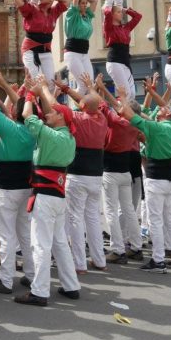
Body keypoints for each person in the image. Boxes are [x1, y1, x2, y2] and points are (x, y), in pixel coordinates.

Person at [13, 75, 80, 306]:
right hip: (59, 195)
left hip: (45, 196)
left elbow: (26, 116)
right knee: (60, 242)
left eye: (53, 112)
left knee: (41, 244)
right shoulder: (70, 139)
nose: (48, 113)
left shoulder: (49, 135)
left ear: (61, 116)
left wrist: (31, 94)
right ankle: (71, 286)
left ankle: (40, 292)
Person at [0, 73, 35, 294]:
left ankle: (6, 280)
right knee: (24, 233)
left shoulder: (10, 129)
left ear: (15, 113)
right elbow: (4, 109)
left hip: (8, 188)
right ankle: (30, 275)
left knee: (7, 235)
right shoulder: (31, 129)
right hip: (26, 186)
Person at [117, 95, 171, 273]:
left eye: (164, 108)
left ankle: (158, 260)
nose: (160, 109)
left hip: (155, 177)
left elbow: (128, 114)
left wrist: (123, 96)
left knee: (155, 220)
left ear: (169, 113)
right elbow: (152, 120)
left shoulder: (157, 128)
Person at [92, 74, 144, 264]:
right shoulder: (135, 126)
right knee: (129, 209)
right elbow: (117, 108)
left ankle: (118, 249)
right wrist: (117, 96)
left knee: (111, 211)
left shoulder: (117, 122)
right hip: (125, 172)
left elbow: (105, 106)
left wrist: (97, 89)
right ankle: (136, 247)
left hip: (112, 170)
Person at [58, 83, 109, 274]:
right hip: (96, 175)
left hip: (78, 175)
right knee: (93, 218)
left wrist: (63, 90)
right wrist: (86, 88)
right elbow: (96, 103)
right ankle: (99, 260)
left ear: (82, 107)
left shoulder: (78, 118)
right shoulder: (102, 118)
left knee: (75, 218)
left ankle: (79, 263)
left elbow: (70, 108)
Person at [14, 0, 70, 88]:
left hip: (46, 51)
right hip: (30, 51)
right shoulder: (32, 9)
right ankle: (31, 103)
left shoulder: (54, 11)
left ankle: (46, 104)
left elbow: (68, 1)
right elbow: (17, 0)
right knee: (37, 82)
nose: (51, 0)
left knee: (51, 84)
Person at [103, 4, 142, 97]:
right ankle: (121, 111)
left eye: (121, 12)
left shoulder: (126, 27)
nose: (121, 14)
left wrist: (125, 10)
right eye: (118, 12)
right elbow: (107, 11)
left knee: (132, 94)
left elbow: (138, 16)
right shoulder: (109, 27)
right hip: (114, 62)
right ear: (112, 14)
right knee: (126, 93)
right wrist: (111, 6)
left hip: (125, 62)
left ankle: (126, 110)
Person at [63, 0, 97, 94]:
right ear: (77, 5)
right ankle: (76, 107)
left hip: (84, 54)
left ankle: (81, 106)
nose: (85, 5)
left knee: (90, 83)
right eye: (82, 3)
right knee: (83, 84)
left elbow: (95, 1)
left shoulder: (87, 17)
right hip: (72, 53)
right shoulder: (72, 15)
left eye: (86, 3)